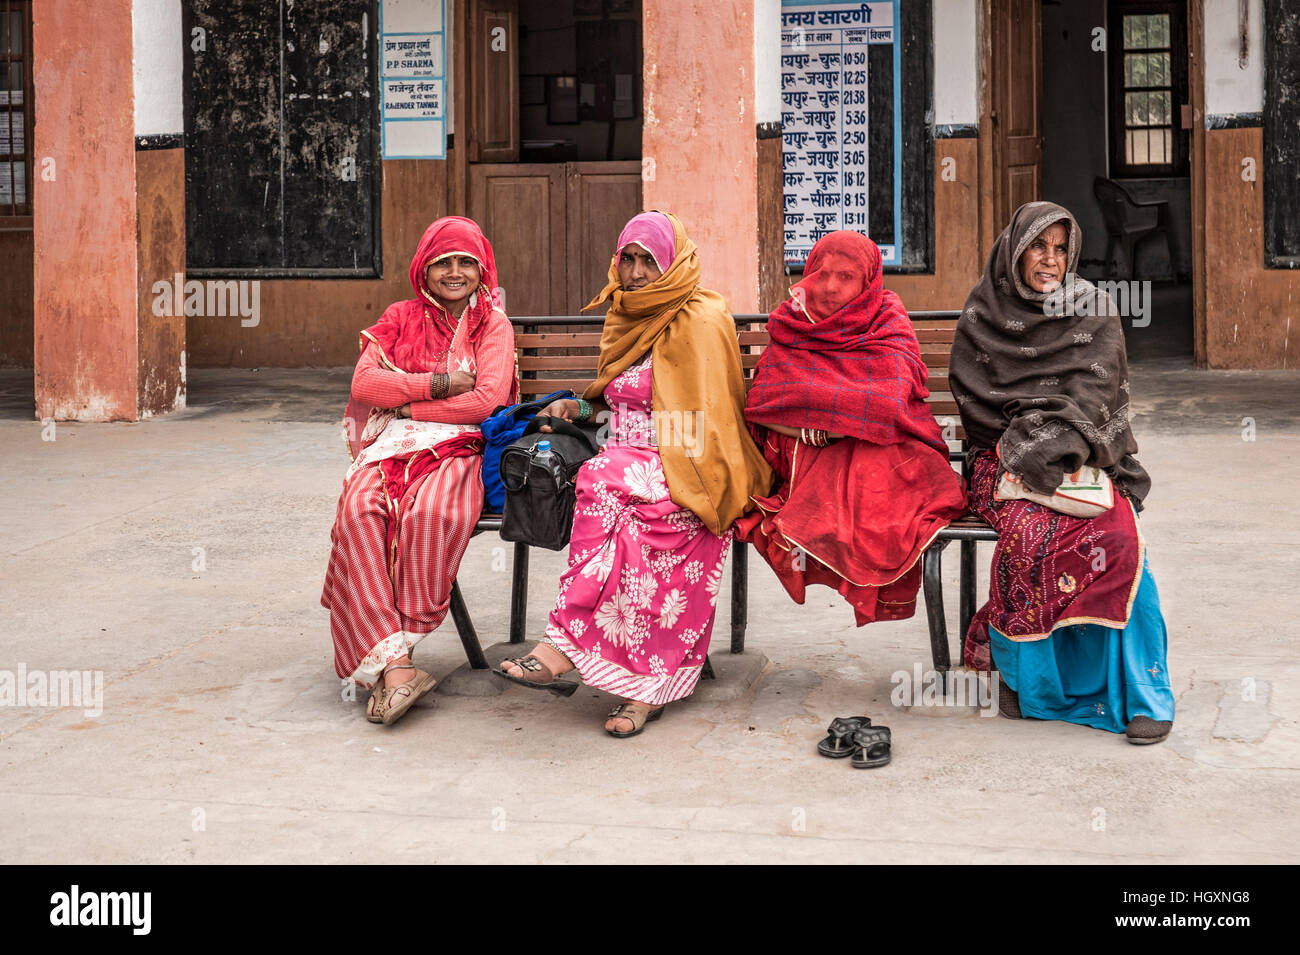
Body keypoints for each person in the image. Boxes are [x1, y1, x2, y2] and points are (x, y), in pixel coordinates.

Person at [494, 211, 773, 737]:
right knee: (604, 486)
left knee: (639, 514)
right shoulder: (624, 315)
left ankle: (628, 680)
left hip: (691, 460)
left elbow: (713, 419)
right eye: (629, 259)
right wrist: (578, 410)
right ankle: (584, 653)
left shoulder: (702, 317)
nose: (638, 273)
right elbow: (609, 401)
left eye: (650, 261)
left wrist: (664, 463)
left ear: (672, 264)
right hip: (623, 455)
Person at [950, 200, 1175, 744]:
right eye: (1037, 247)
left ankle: (1146, 694)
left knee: (1118, 535)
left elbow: (1097, 401)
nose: (1049, 260)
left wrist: (1055, 443)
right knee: (1026, 536)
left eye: (1059, 248)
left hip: (1083, 457)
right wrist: (1025, 446)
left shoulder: (1094, 310)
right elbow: (978, 408)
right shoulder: (983, 314)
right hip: (1001, 460)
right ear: (1014, 251)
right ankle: (1027, 681)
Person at [322, 216, 517, 725]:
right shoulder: (399, 317)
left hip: (461, 447)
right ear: (423, 270)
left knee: (431, 512)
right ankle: (400, 667)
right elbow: (367, 386)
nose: (454, 273)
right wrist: (441, 383)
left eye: (465, 263)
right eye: (442, 263)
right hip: (391, 447)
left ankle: (392, 657)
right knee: (360, 508)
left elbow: (486, 401)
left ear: (482, 268)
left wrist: (409, 403)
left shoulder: (491, 325)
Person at [737, 231, 968, 624]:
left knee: (884, 473)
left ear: (868, 281)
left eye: (845, 277)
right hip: (805, 450)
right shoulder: (793, 321)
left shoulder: (887, 318)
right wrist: (828, 429)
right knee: (863, 465)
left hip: (882, 445)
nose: (829, 288)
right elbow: (762, 403)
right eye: (822, 274)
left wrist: (818, 409)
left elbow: (887, 403)